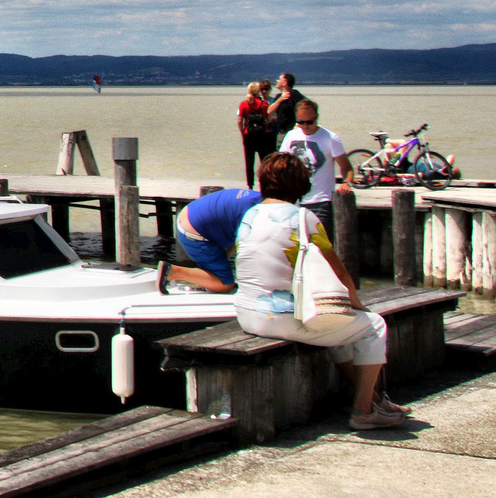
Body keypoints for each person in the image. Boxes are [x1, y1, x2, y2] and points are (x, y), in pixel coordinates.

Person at [235, 153, 408, 430]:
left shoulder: (250, 216)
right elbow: (339, 271)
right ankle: (364, 412)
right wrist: (358, 305)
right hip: (282, 319)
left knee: (338, 334)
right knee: (373, 325)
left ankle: (374, 400)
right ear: (302, 184)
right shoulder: (303, 218)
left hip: (247, 314)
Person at [164, 185, 265, 293]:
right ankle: (172, 271)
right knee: (225, 284)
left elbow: (237, 237)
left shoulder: (257, 198)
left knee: (220, 271)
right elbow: (249, 250)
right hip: (195, 233)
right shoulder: (255, 212)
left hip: (192, 215)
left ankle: (206, 277)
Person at [279, 99, 350, 236]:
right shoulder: (291, 136)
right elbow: (281, 165)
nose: (305, 126)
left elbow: (346, 167)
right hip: (294, 201)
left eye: (309, 122)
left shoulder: (330, 138)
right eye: (300, 122)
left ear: (316, 118)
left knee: (321, 247)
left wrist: (347, 183)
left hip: (321, 201)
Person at [236, 80, 275, 188]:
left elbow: (240, 121)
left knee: (249, 162)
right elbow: (269, 119)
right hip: (263, 135)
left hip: (248, 135)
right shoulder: (264, 104)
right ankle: (264, 185)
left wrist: (242, 133)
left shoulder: (244, 104)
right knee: (264, 162)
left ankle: (250, 185)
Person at [267, 72, 306, 156]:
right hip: (281, 132)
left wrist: (298, 125)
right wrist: (281, 99)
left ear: (285, 83)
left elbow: (305, 108)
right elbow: (269, 111)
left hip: (292, 132)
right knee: (280, 156)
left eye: (279, 79)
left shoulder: (295, 95)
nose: (277, 81)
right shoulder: (278, 96)